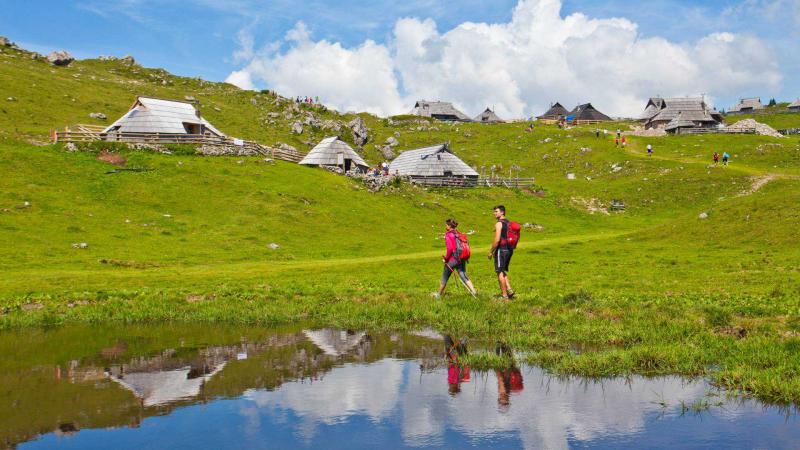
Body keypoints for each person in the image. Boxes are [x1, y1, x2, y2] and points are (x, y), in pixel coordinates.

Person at [435, 219, 477, 298]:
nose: (445, 226)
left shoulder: (448, 235)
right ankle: (473, 291)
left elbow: (450, 249)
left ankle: (438, 295)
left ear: (449, 226)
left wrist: (446, 259)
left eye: (446, 225)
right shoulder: (458, 233)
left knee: (445, 276)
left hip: (452, 259)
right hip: (461, 258)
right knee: (463, 275)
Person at [488, 205, 514, 299]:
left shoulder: (499, 223)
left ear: (502, 212)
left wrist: (491, 251)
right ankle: (510, 290)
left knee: (499, 272)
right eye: (494, 211)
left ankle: (504, 296)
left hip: (501, 250)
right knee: (502, 270)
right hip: (509, 249)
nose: (494, 213)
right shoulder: (508, 222)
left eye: (496, 211)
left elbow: (497, 240)